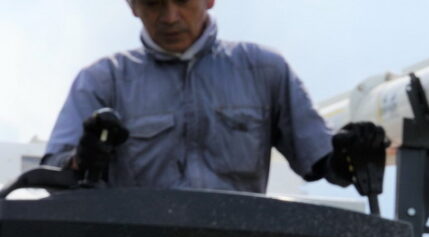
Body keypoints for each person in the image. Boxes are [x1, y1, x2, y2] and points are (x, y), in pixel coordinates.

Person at [42, 0, 377, 194]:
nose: (170, 16)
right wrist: (83, 159)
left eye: (182, 0)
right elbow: (52, 175)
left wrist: (350, 154)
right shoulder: (103, 80)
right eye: (153, 2)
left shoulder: (265, 70)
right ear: (131, 5)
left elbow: (321, 163)